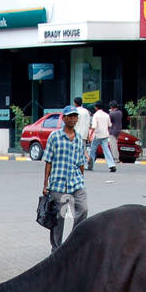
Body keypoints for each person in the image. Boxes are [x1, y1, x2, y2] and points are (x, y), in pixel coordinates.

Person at [41, 105, 88, 252]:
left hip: (76, 183)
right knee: (59, 218)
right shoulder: (54, 137)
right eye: (70, 116)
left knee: (83, 209)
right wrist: (45, 184)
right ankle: (56, 249)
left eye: (75, 116)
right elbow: (48, 161)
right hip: (58, 184)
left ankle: (73, 244)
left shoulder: (79, 139)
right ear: (64, 118)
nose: (73, 119)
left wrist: (82, 178)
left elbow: (81, 162)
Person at [87, 102, 116, 172]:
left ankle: (90, 165)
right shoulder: (106, 115)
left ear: (96, 107)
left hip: (97, 135)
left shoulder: (95, 115)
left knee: (92, 150)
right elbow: (110, 125)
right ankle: (112, 165)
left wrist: (90, 135)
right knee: (106, 150)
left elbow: (94, 126)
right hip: (105, 135)